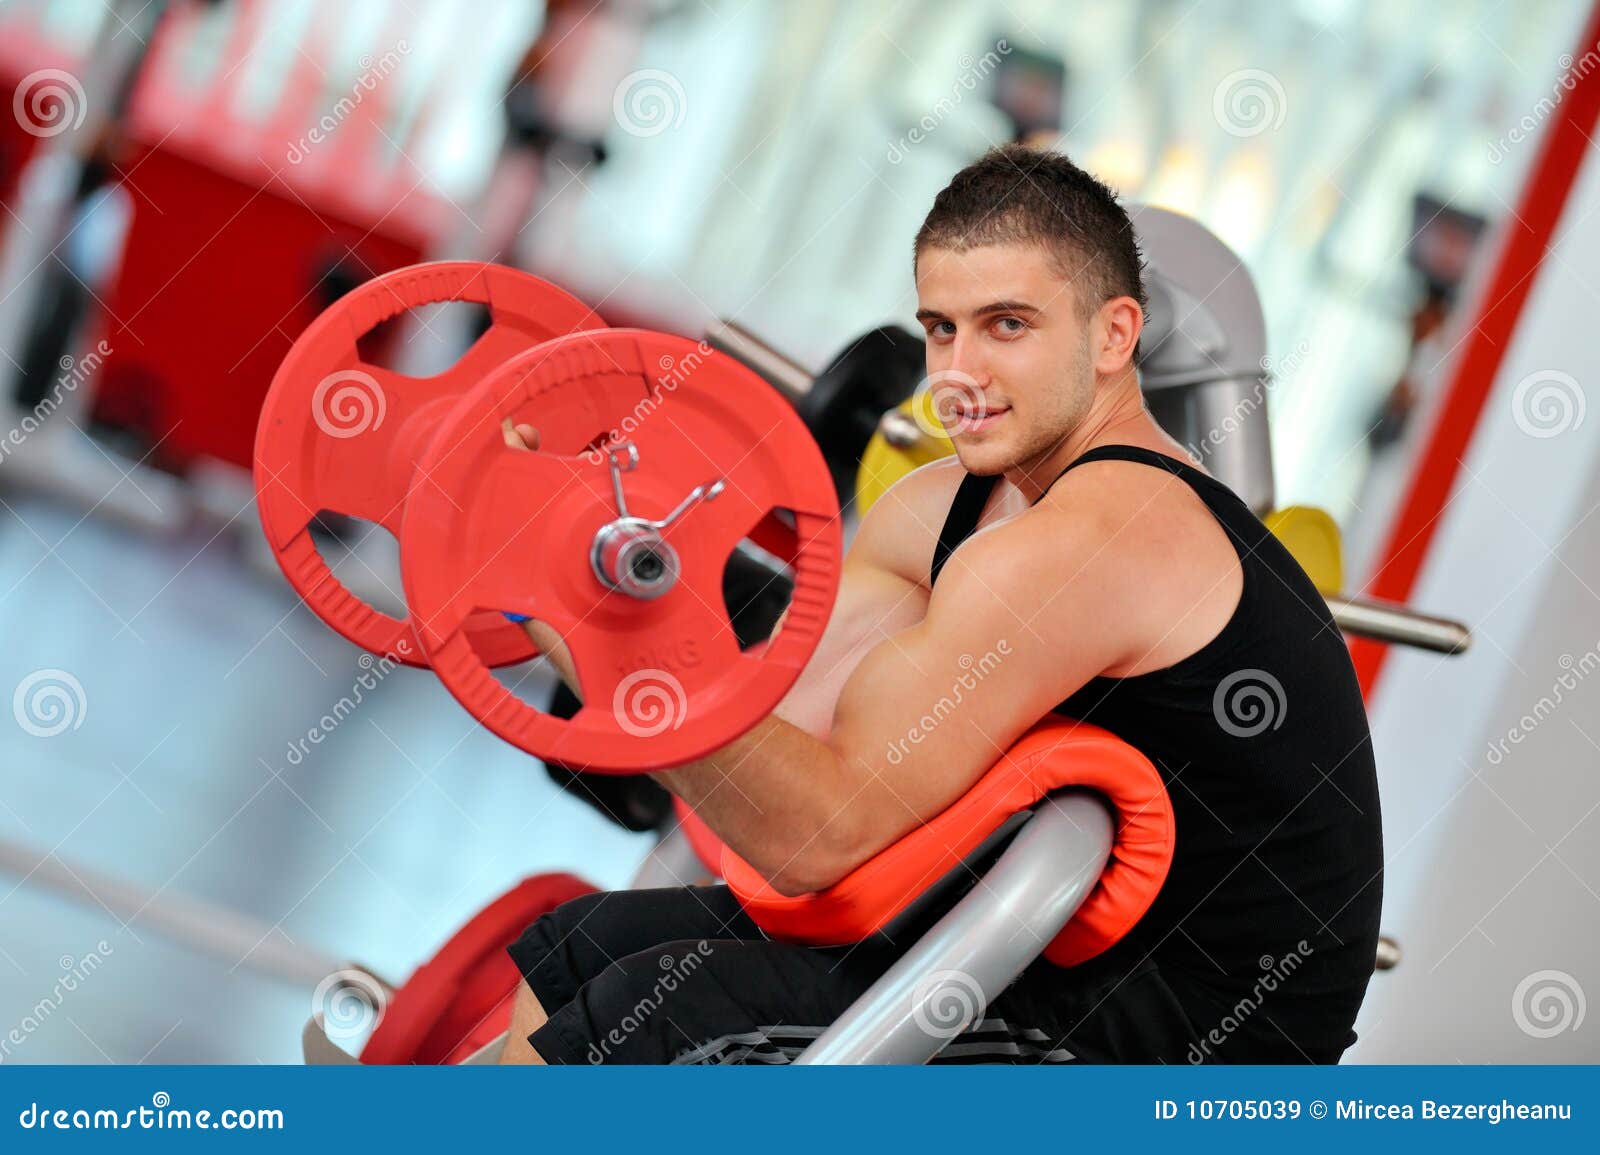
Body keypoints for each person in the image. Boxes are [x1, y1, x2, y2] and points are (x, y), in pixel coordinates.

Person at [497, 144, 1383, 1065]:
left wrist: (567, 606)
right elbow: (774, 736)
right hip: (1044, 955)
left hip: (1187, 1043)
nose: (959, 374)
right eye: (942, 329)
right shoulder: (937, 509)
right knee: (579, 951)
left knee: (649, 1017)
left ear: (1114, 335)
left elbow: (811, 835)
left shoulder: (1105, 533)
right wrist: (591, 556)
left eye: (1008, 325)